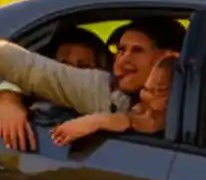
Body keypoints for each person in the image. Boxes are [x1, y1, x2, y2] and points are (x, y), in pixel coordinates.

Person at [0, 0, 184, 150]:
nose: (122, 61)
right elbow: (26, 67)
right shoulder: (107, 90)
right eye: (120, 51)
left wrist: (103, 120)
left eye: (137, 51)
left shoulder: (199, 100)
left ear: (170, 57)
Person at [0, 26, 112, 150]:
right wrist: (7, 99)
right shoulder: (36, 96)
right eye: (63, 65)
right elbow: (7, 65)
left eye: (82, 67)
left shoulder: (109, 102)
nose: (69, 72)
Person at [50, 53, 178, 146]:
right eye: (146, 89)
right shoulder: (138, 106)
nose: (146, 96)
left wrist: (95, 122)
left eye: (159, 91)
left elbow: (145, 123)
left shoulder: (170, 120)